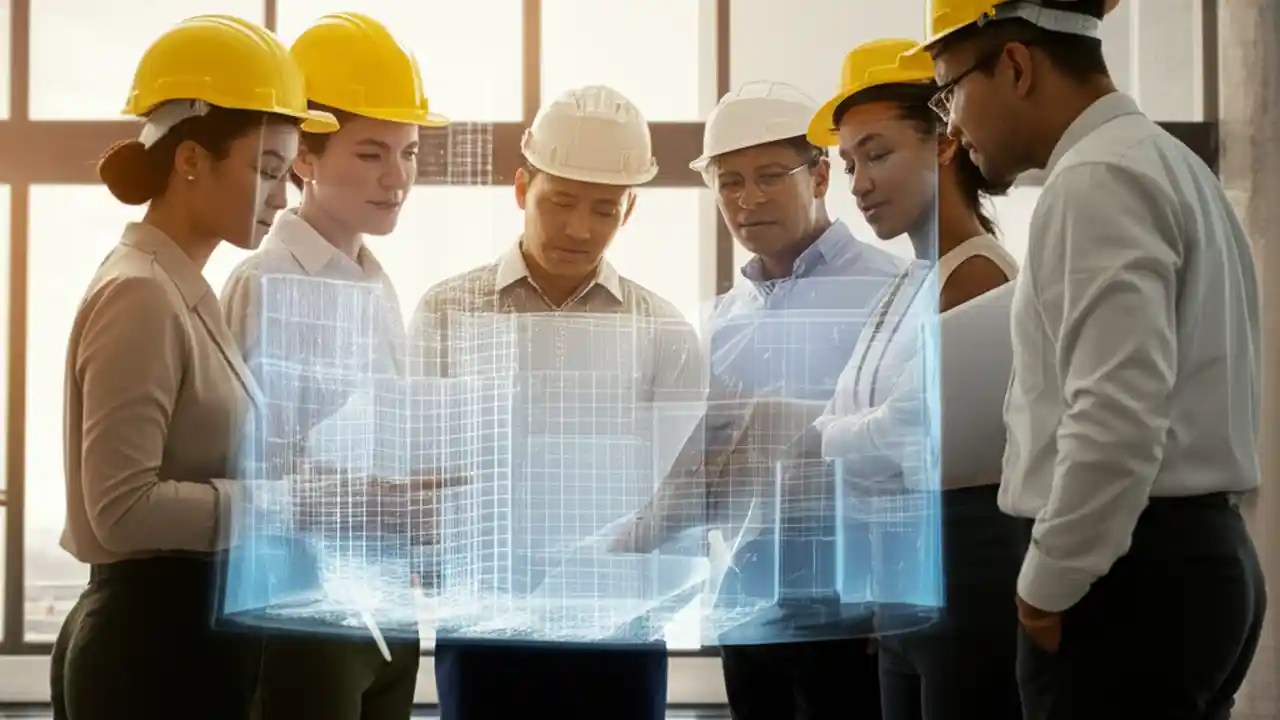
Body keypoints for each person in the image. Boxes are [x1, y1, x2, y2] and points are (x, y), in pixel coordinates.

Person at [913, 1, 1266, 717]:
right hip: (1193, 558)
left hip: (1129, 576)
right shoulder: (1169, 161)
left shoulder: (1095, 178)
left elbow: (1114, 415)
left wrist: (1045, 585)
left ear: (1014, 65)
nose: (951, 126)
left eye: (950, 90)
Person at [47, 14, 337, 720]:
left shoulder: (181, 286)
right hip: (148, 654)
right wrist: (286, 503)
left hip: (187, 644)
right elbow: (121, 510)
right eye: (267, 170)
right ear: (190, 161)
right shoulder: (141, 293)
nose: (282, 196)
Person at [408, 85, 704, 720]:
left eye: (604, 209)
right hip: (486, 628)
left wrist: (648, 604)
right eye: (560, 201)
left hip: (618, 635)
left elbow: (682, 497)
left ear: (630, 211)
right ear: (521, 189)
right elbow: (423, 466)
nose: (578, 228)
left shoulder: (664, 329)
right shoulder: (447, 312)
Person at [219, 12, 446, 719]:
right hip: (303, 608)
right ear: (304, 159)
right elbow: (256, 474)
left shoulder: (376, 283)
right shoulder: (266, 282)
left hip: (385, 603)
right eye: (371, 153)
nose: (398, 178)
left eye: (408, 152)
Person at [807, 38, 1021, 719]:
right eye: (848, 164)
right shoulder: (908, 283)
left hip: (967, 575)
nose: (859, 182)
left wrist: (832, 434)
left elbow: (903, 438)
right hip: (907, 582)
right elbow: (860, 427)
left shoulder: (977, 276)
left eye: (877, 153)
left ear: (945, 142)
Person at [684, 79, 903, 720]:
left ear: (820, 175)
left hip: (853, 622)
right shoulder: (721, 320)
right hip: (747, 617)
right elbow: (712, 467)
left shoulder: (891, 292)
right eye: (729, 181)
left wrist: (894, 597)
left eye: (769, 174)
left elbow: (910, 455)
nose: (747, 199)